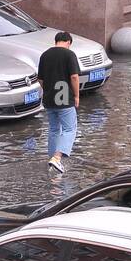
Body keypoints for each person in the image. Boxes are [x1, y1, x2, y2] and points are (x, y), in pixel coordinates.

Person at [37, 31, 80, 173]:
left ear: (56, 41)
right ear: (68, 42)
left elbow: (41, 79)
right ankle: (57, 158)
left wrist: (48, 91)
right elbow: (74, 77)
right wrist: (77, 96)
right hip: (64, 99)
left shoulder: (45, 55)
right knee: (70, 129)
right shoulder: (69, 54)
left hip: (49, 99)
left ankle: (52, 161)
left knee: (54, 129)